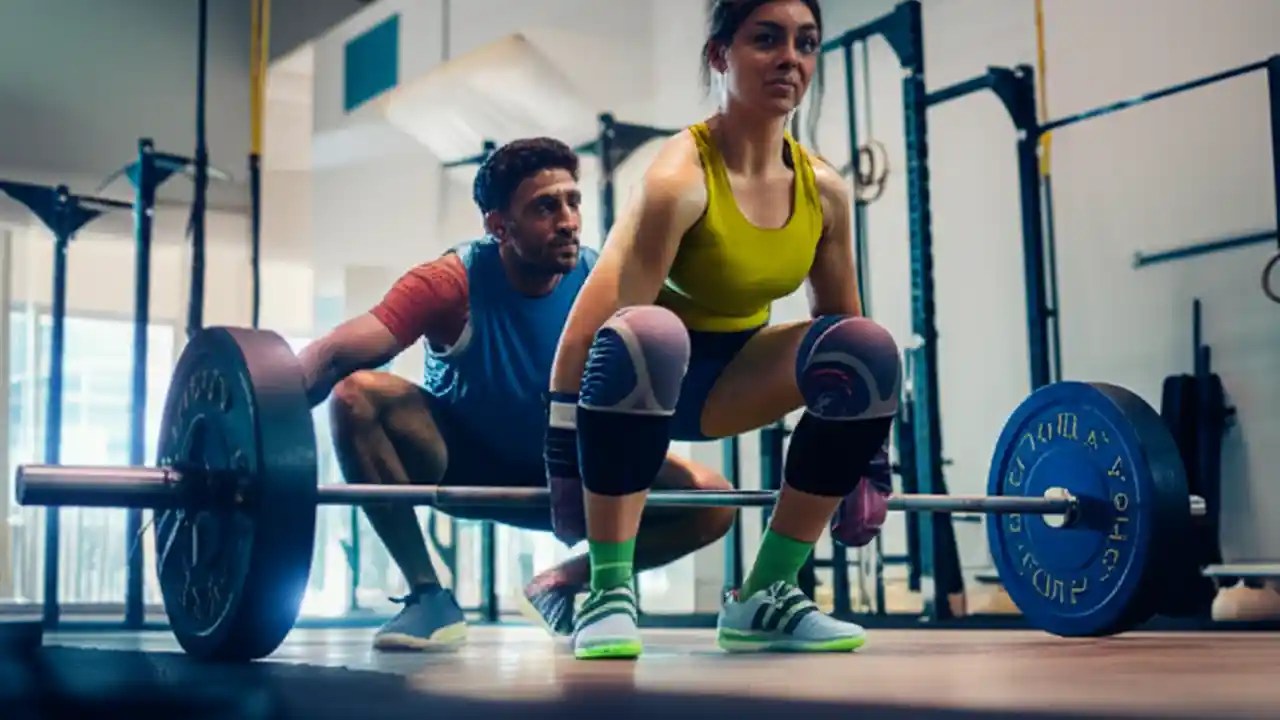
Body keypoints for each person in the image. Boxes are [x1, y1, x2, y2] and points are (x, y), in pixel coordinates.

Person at [544, 0, 901, 660]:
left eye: (806, 42)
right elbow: (592, 333)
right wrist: (564, 461)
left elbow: (840, 324)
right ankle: (608, 591)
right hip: (639, 384)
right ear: (719, 56)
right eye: (766, 39)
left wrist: (866, 460)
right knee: (651, 332)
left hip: (734, 379)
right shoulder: (676, 180)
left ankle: (765, 595)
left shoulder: (823, 189)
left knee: (866, 349)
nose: (790, 58)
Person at [297, 138, 735, 652]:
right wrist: (267, 416)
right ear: (499, 226)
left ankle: (562, 583)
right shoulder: (449, 282)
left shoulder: (603, 279)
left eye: (573, 201)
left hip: (571, 478)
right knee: (355, 395)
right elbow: (332, 355)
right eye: (546, 207)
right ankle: (427, 596)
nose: (569, 220)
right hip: (459, 464)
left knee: (714, 500)